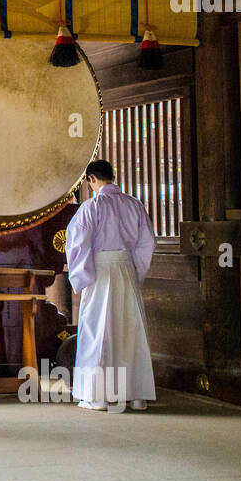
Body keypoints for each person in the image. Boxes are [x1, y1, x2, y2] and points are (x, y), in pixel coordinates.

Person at [64, 159, 157, 412]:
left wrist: (82, 277)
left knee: (99, 331)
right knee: (131, 329)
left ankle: (98, 397)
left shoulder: (91, 207)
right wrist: (135, 271)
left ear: (91, 179)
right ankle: (137, 396)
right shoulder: (134, 205)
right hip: (126, 267)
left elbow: (77, 244)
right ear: (112, 177)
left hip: (101, 271)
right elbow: (147, 242)